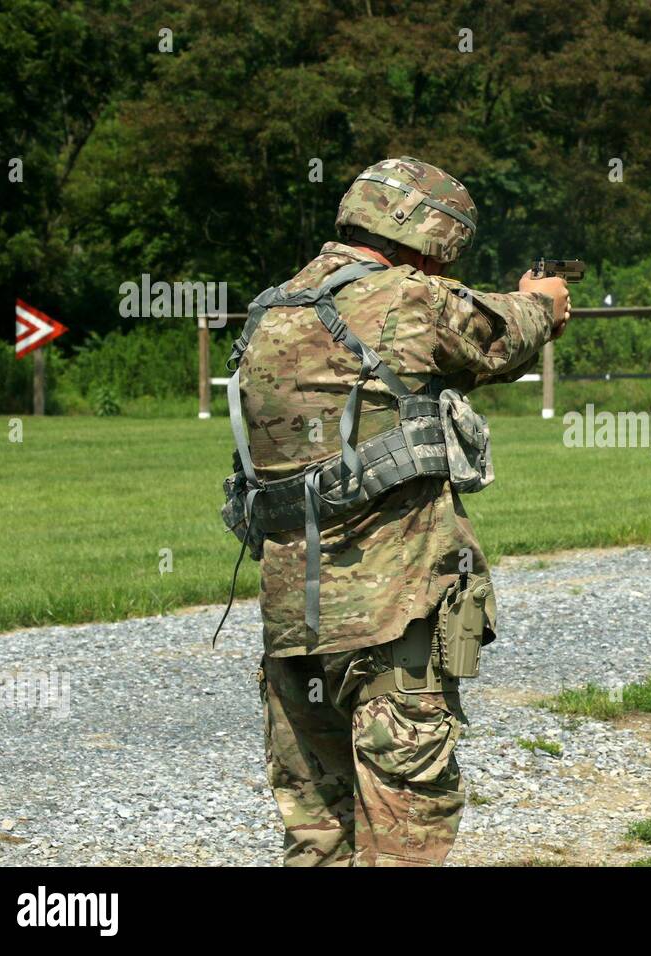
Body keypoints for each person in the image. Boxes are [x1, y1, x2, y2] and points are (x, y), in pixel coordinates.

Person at [223, 156, 569, 866]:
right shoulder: (409, 301)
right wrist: (547, 299)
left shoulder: (271, 308)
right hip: (391, 622)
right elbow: (505, 334)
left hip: (295, 627)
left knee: (320, 838)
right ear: (431, 236)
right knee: (408, 826)